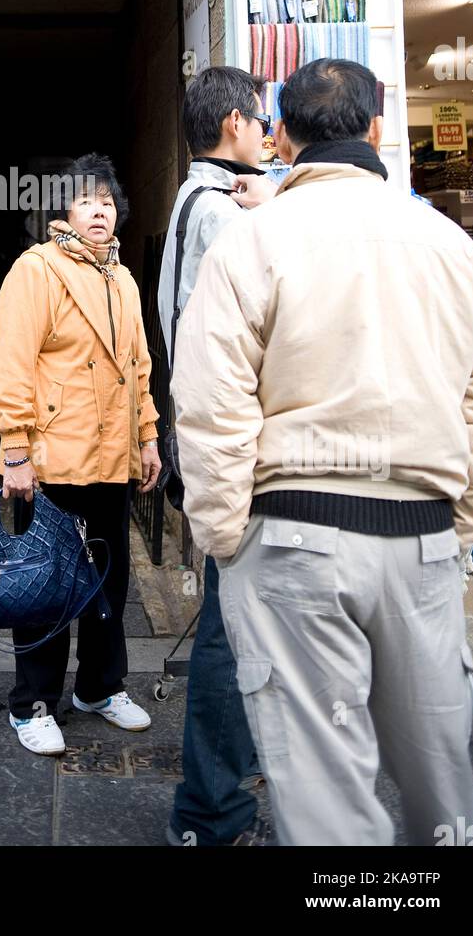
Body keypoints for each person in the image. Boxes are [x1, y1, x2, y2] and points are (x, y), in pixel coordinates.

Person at [172, 58, 473, 846]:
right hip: (421, 538)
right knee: (442, 782)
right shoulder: (452, 248)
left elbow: (210, 402)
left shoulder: (252, 243)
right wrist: (462, 524)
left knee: (324, 793)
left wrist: (223, 539)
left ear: (281, 133)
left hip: (292, 537)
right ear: (377, 129)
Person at [0, 153, 162, 755]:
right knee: (45, 584)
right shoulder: (36, 270)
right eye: (87, 200)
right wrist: (15, 449)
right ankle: (31, 703)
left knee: (109, 582)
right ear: (64, 210)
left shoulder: (124, 279)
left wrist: (147, 436)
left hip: (111, 457)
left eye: (108, 202)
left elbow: (138, 368)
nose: (99, 210)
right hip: (53, 457)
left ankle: (100, 687)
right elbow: (12, 364)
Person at [157, 67, 277, 848]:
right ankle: (210, 811)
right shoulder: (227, 216)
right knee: (231, 634)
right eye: (262, 118)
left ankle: (218, 797)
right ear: (234, 122)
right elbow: (244, 345)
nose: (269, 130)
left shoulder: (191, 197)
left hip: (210, 443)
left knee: (233, 625)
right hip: (240, 448)